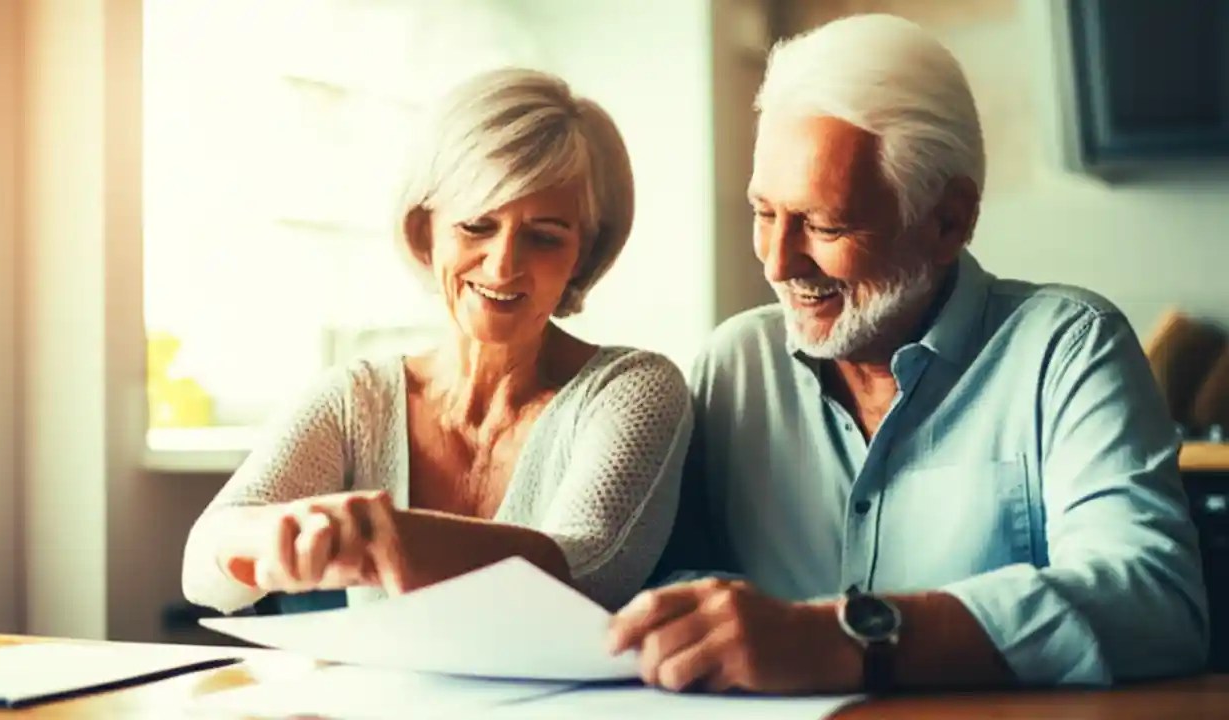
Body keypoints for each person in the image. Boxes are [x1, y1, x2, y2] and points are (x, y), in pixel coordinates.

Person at [608, 14, 1208, 694]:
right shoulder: (733, 365)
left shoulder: (1068, 348)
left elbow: (1156, 605)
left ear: (949, 219)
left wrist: (839, 638)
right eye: (764, 213)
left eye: (824, 224)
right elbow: (680, 580)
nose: (778, 262)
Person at [182, 68, 692, 615]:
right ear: (425, 233)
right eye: (476, 226)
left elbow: (588, 574)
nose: (503, 266)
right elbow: (203, 573)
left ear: (583, 256)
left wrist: (390, 537)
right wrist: (273, 536)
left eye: (544, 237)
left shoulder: (633, 390)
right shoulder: (358, 399)